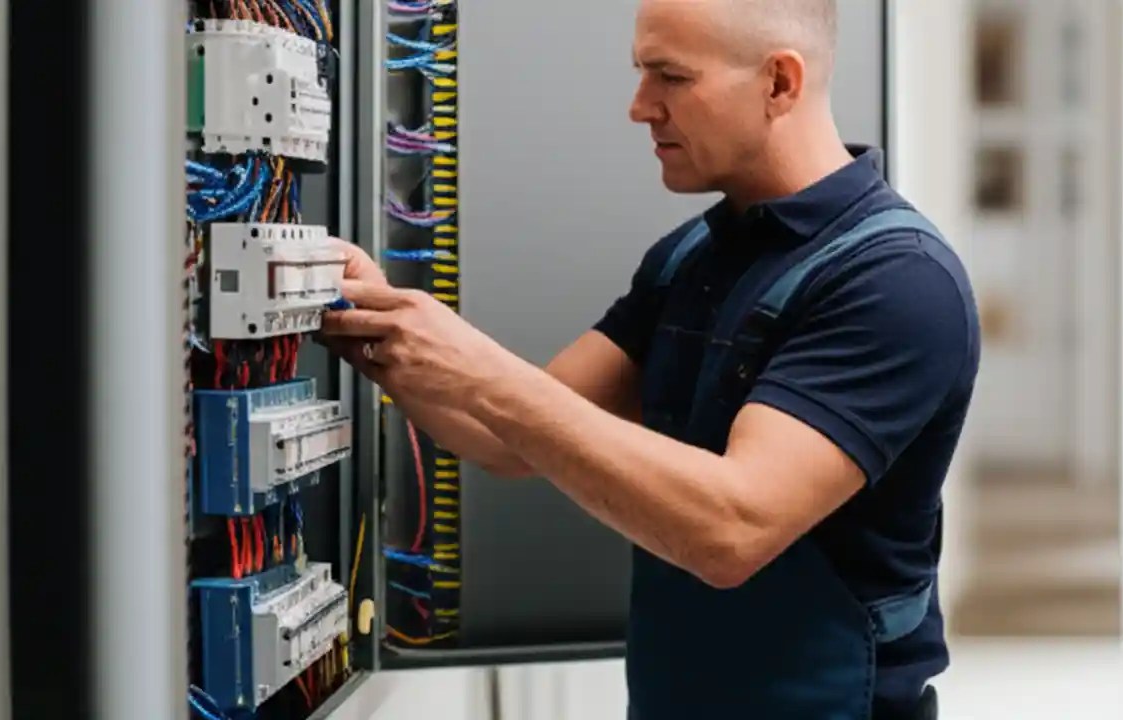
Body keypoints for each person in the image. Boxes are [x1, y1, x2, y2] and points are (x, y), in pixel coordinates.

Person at [319, 0, 979, 717]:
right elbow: (503, 439)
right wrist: (374, 324)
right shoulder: (689, 258)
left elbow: (734, 528)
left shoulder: (895, 280)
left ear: (780, 83)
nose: (640, 107)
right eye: (642, 73)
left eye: (670, 77)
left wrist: (476, 366)